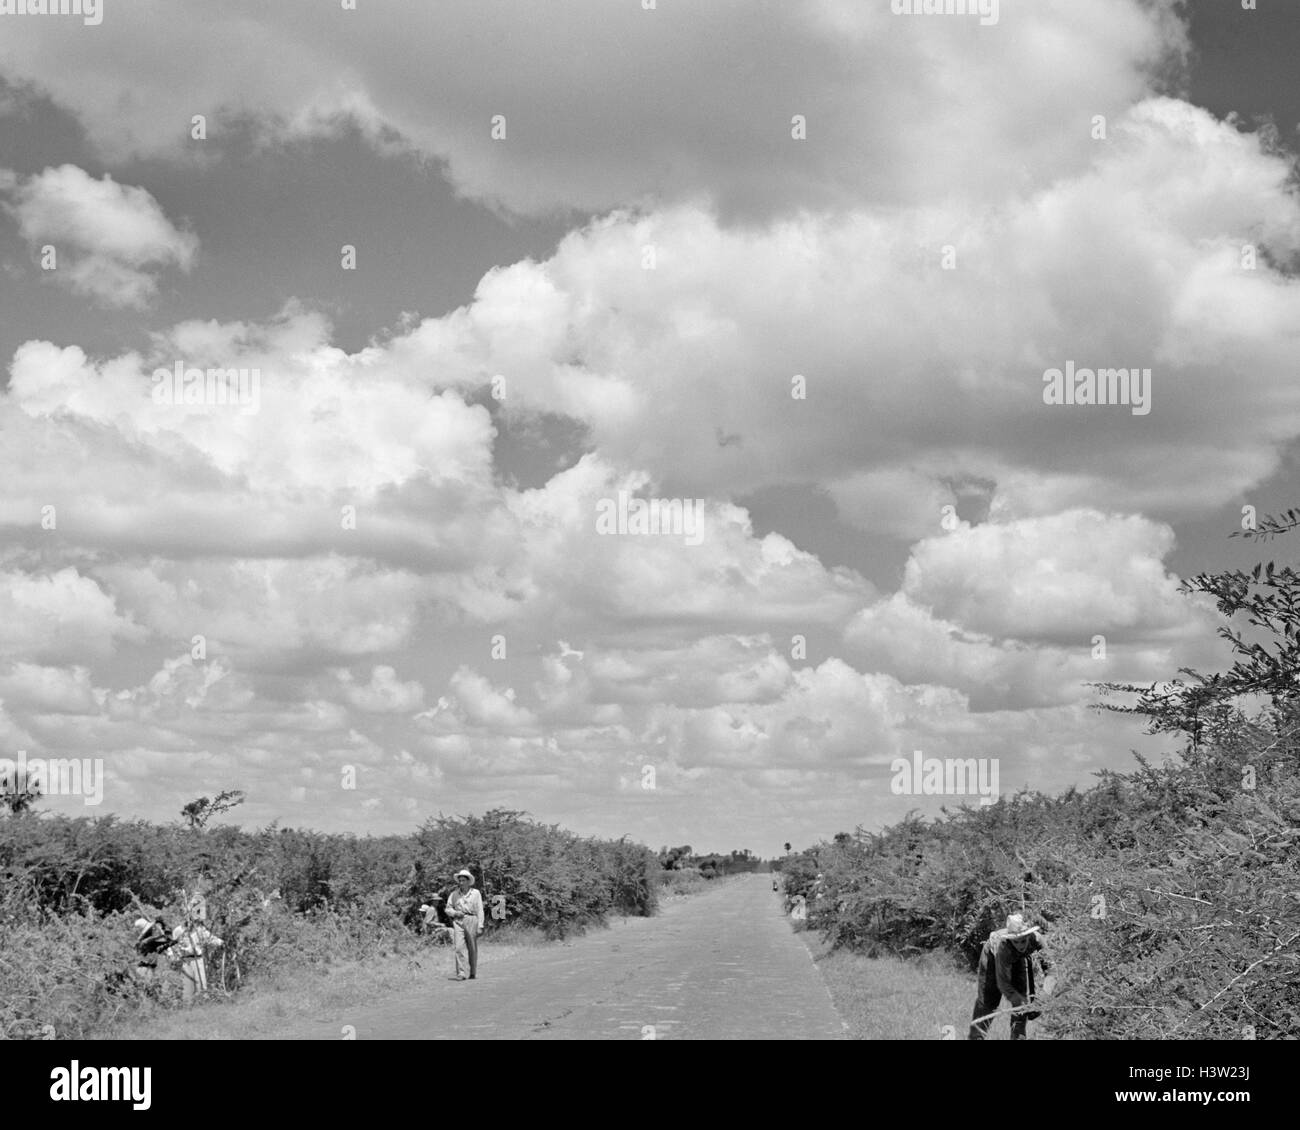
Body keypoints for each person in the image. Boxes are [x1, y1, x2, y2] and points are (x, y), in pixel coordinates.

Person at [969, 913, 1047, 1040]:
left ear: (1029, 935)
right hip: (992, 958)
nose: (1021, 945)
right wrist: (1022, 1003)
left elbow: (1052, 971)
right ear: (1010, 939)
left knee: (1021, 1004)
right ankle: (976, 1037)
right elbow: (1003, 983)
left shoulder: (1038, 940)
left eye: (1023, 940)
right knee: (989, 1002)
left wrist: (1042, 999)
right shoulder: (1003, 947)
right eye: (1016, 941)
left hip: (1017, 960)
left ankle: (1018, 1036)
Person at [170, 918, 224, 1003]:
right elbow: (172, 945)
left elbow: (211, 938)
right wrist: (173, 957)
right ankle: (188, 1006)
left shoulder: (199, 930)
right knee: (187, 988)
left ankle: (203, 1002)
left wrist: (221, 942)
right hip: (185, 961)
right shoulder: (177, 931)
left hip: (198, 960)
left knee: (201, 985)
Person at [445, 868, 484, 980]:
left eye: (463, 880)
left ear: (468, 881)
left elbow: (480, 910)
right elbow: (448, 909)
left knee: (472, 948)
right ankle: (461, 973)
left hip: (472, 919)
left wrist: (480, 925)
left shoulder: (476, 893)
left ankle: (473, 971)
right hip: (458, 921)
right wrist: (455, 913)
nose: (461, 882)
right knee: (458, 947)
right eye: (460, 880)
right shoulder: (454, 894)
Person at [132, 916, 172, 983]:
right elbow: (166, 941)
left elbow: (161, 946)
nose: (153, 929)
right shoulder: (148, 941)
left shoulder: (145, 941)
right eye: (151, 928)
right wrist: (163, 931)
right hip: (145, 970)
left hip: (146, 969)